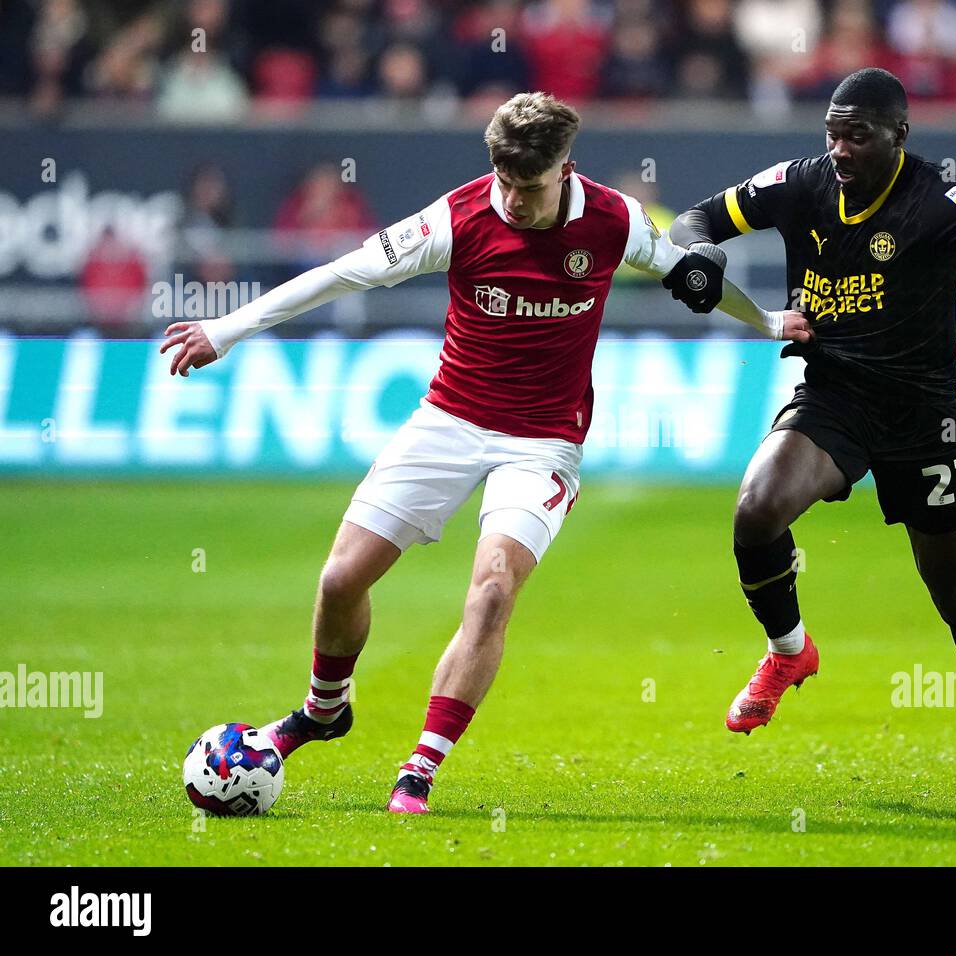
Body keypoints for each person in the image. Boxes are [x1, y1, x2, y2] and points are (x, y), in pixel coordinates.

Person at [160, 91, 811, 814]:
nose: (515, 199)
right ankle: (323, 710)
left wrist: (766, 321)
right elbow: (343, 273)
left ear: (566, 167)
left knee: (494, 589)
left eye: (530, 187)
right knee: (341, 579)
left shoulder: (614, 219)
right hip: (448, 420)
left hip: (542, 443)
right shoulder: (459, 217)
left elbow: (692, 276)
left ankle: (420, 768)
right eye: (504, 180)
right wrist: (230, 329)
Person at [666, 67, 956, 795]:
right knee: (757, 509)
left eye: (859, 136)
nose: (842, 149)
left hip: (925, 413)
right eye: (833, 133)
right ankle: (789, 651)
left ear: (900, 136)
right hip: (835, 397)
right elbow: (693, 221)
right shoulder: (798, 182)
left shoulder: (941, 194)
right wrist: (701, 256)